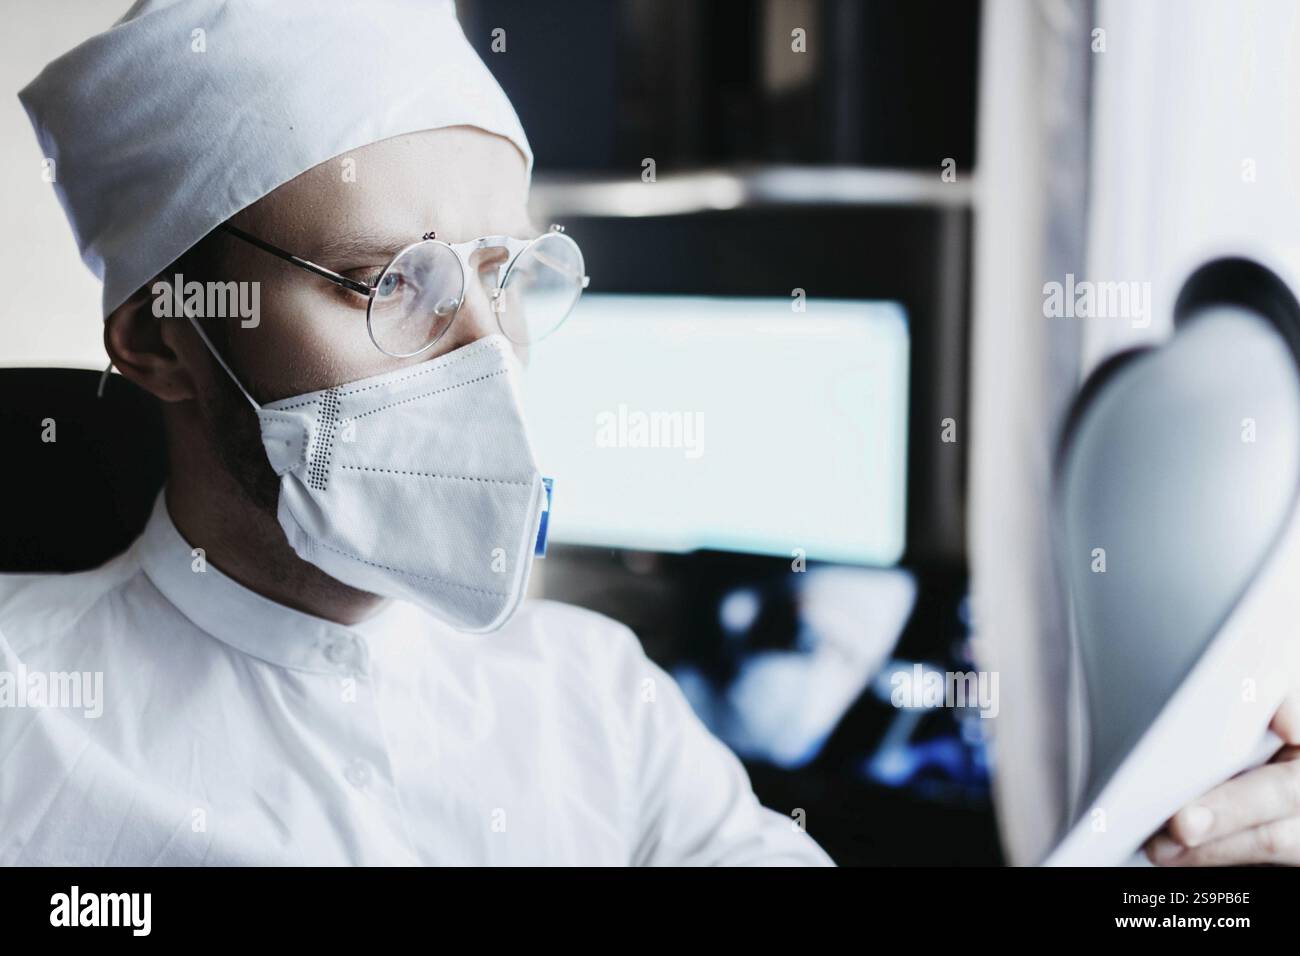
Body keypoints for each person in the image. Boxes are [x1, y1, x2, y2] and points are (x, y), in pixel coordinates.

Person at [0, 0, 833, 866]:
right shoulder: (25, 721)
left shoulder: (603, 703)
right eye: (388, 283)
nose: (488, 348)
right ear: (163, 339)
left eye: (498, 272)